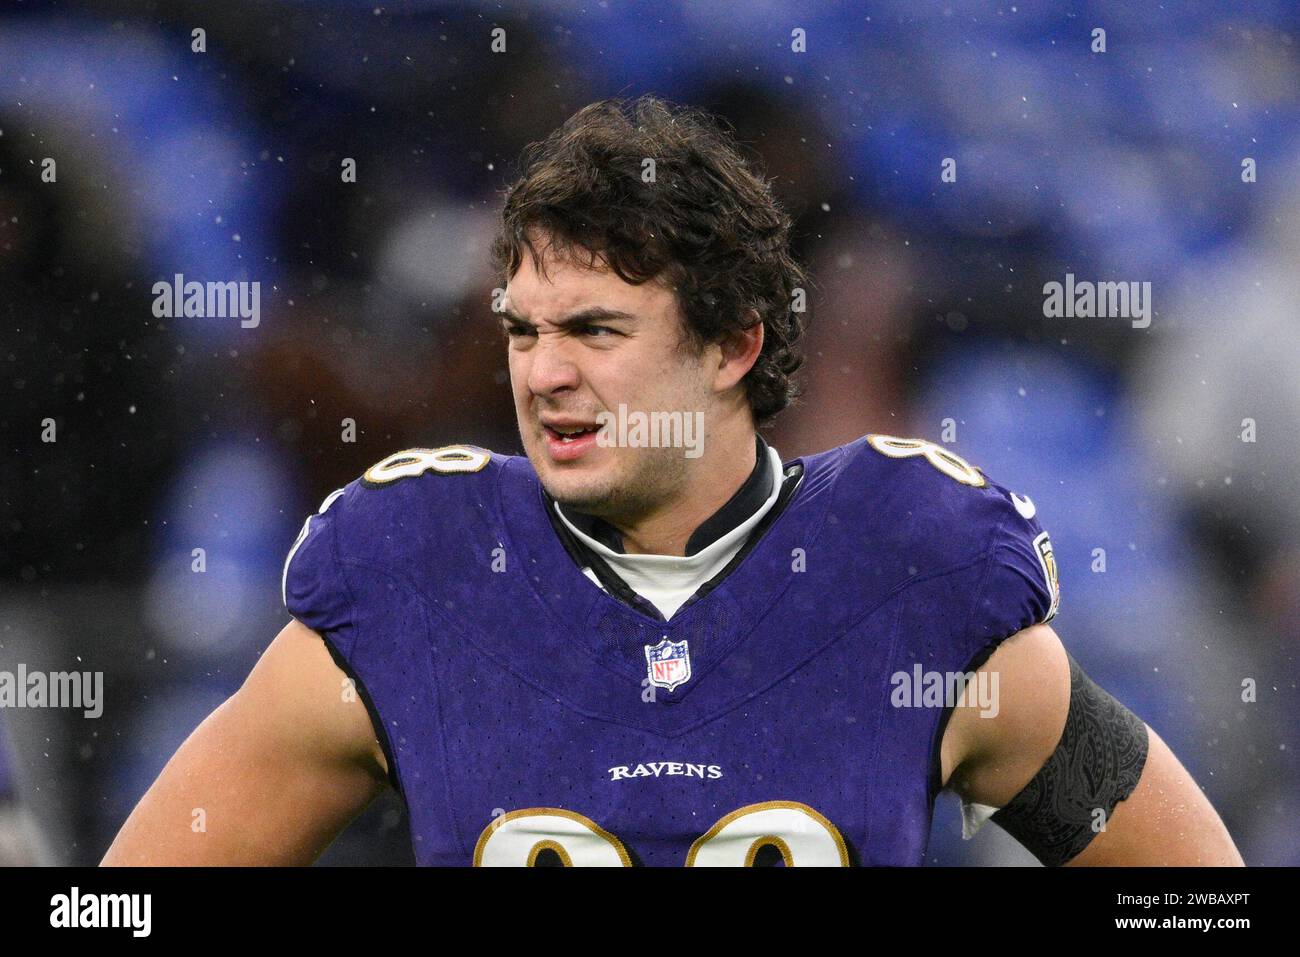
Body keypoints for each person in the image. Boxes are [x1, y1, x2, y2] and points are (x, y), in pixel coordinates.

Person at [103, 97, 1241, 867]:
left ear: (733, 345)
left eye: (595, 330)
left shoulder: (911, 572)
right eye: (522, 331)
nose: (544, 373)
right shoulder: (416, 577)